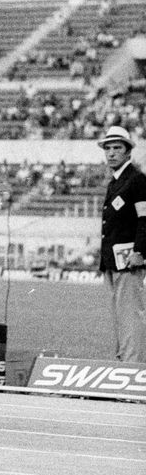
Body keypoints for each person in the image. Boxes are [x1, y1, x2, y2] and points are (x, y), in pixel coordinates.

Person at [96, 126, 146, 363]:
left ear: (128, 152)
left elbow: (145, 219)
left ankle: (131, 368)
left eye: (117, 148)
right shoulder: (115, 182)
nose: (112, 153)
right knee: (118, 315)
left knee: (129, 315)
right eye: (108, 148)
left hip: (128, 260)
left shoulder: (137, 180)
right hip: (112, 261)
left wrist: (139, 251)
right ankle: (123, 362)